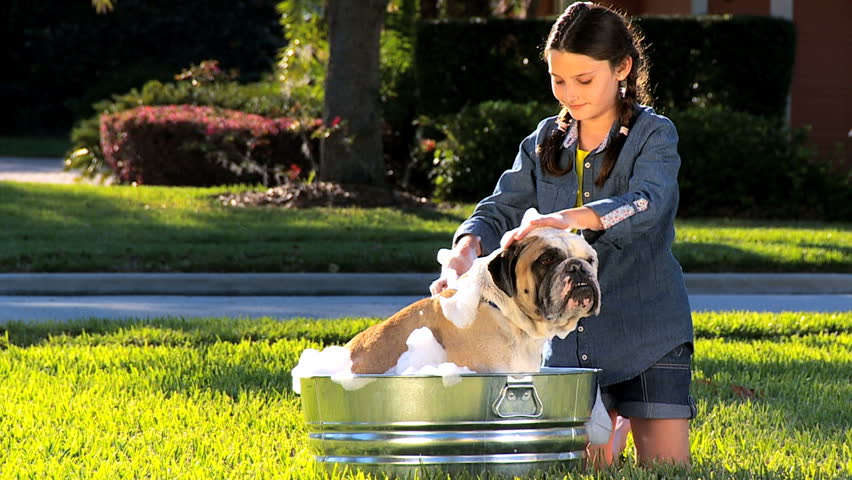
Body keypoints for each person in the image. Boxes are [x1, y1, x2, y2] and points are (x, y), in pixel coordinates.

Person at [430, 1, 695, 467]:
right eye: (558, 79)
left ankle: (624, 419)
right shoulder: (541, 142)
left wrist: (571, 218)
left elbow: (648, 202)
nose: (569, 94)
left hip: (649, 333)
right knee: (588, 468)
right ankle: (606, 427)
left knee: (666, 470)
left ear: (622, 68)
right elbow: (499, 207)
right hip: (566, 342)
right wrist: (465, 248)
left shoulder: (655, 135)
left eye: (584, 80)